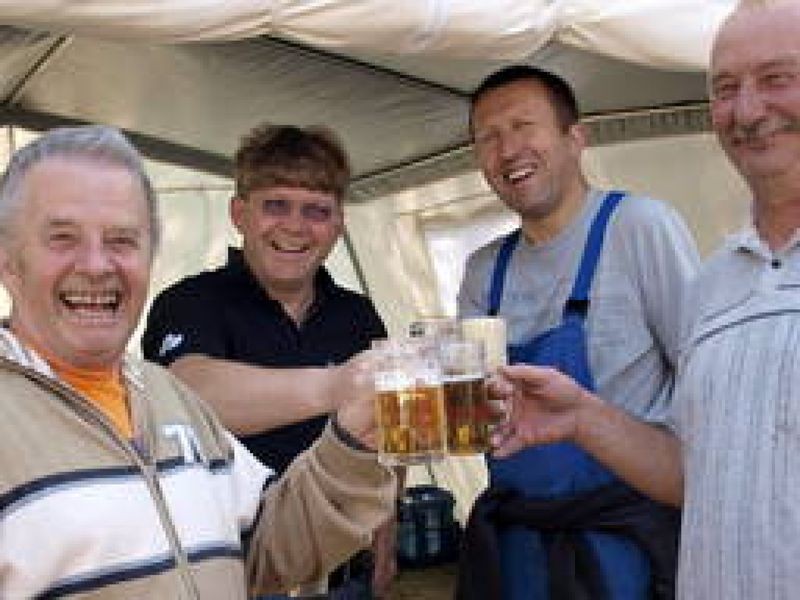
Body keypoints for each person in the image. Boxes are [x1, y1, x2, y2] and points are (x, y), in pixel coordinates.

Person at [0, 125, 395, 599]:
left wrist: (355, 443)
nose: (97, 265)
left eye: (122, 240)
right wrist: (336, 386)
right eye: (62, 238)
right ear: (7, 260)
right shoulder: (192, 312)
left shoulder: (162, 397)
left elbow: (264, 548)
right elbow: (198, 382)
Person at [489, 1, 800, 598]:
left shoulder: (638, 224)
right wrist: (582, 417)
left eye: (777, 79)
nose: (748, 109)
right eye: (726, 88)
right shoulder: (715, 286)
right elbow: (693, 473)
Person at [455, 65, 700, 599]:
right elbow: (474, 418)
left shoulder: (638, 226)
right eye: (488, 138)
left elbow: (705, 388)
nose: (507, 149)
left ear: (575, 138)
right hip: (519, 545)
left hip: (626, 542)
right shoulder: (483, 270)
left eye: (524, 126)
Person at [141, 124, 397, 598]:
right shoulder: (190, 302)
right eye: (276, 205)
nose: (295, 227)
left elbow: (389, 431)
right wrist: (335, 385)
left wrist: (386, 535)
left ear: (339, 227)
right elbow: (187, 395)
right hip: (239, 570)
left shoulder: (358, 314)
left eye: (317, 211)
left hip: (346, 572)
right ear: (240, 213)